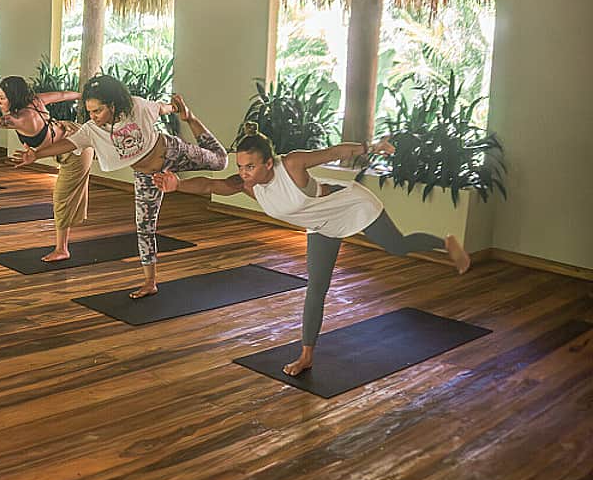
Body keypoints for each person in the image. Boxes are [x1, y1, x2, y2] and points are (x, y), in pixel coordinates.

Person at [152, 124, 472, 376]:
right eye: (241, 166)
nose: (244, 172)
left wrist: (372, 147)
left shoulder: (292, 164)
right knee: (316, 288)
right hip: (321, 226)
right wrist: (177, 185)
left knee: (397, 246)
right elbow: (210, 185)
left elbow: (335, 152)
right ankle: (306, 356)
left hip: (348, 204)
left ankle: (444, 243)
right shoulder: (248, 184)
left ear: (268, 162)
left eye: (250, 166)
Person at [15, 75, 227, 297]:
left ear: (113, 105)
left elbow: (161, 109)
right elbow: (68, 143)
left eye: (97, 111)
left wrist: (177, 109)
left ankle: (192, 121)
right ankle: (150, 282)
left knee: (221, 162)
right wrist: (36, 154)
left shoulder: (137, 106)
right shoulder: (91, 130)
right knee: (144, 226)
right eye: (89, 112)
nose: (93, 117)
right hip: (148, 176)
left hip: (173, 152)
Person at [0, 75, 91, 262]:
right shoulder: (35, 101)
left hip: (75, 150)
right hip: (72, 132)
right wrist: (84, 96)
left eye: (2, 98)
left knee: (61, 198)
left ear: (13, 97)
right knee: (68, 195)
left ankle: (62, 249)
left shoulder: (19, 119)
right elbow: (61, 95)